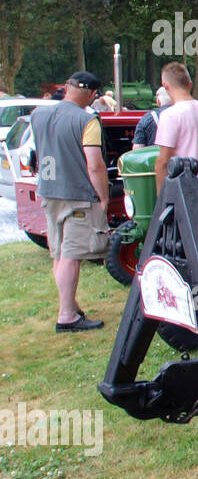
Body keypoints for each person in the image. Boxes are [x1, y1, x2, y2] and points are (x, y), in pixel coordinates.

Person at [28, 71, 110, 332]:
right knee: (72, 255)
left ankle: (70, 305)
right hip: (76, 194)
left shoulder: (37, 115)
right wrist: (104, 197)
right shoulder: (88, 121)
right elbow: (95, 165)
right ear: (93, 94)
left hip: (49, 190)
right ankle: (67, 316)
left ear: (66, 87)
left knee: (59, 251)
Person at [154, 62, 198, 190]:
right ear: (190, 84)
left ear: (165, 85)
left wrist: (161, 198)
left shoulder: (170, 115)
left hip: (183, 189)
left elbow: (163, 162)